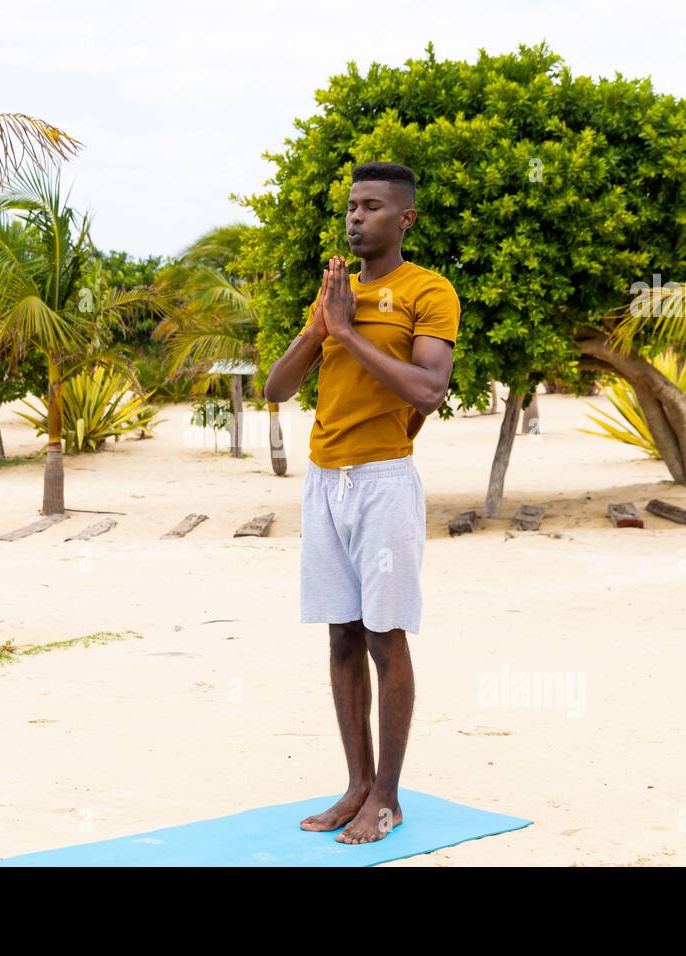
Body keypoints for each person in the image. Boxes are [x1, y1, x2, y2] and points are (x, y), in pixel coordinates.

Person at [264, 161, 460, 844]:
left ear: (404, 219)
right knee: (341, 632)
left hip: (383, 479)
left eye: (372, 207)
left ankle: (388, 795)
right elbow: (276, 387)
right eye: (352, 206)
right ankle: (354, 784)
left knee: (384, 634)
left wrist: (348, 334)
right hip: (325, 480)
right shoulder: (334, 297)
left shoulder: (428, 292)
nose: (355, 217)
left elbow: (429, 390)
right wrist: (324, 326)